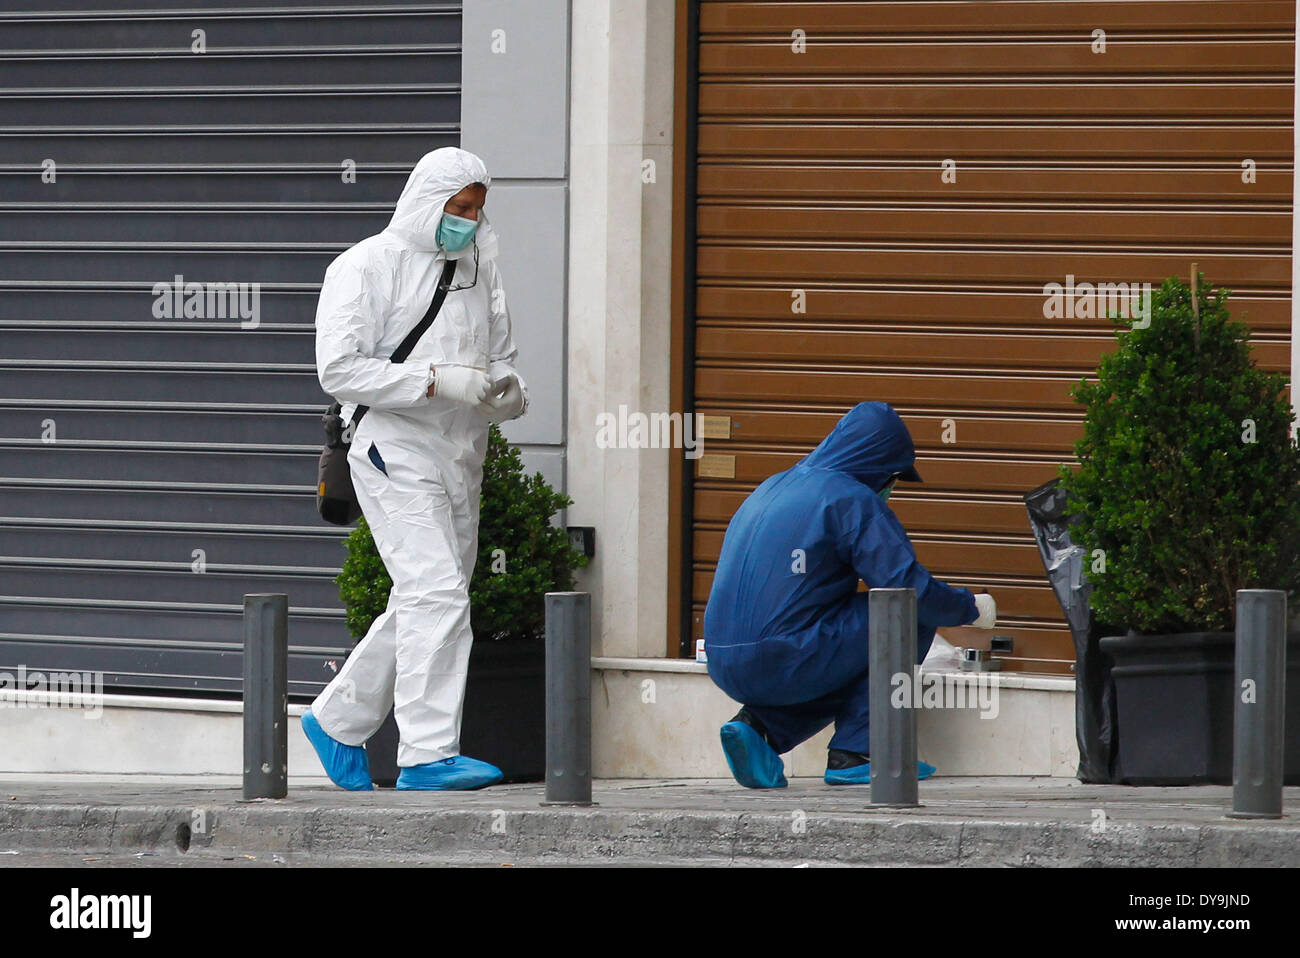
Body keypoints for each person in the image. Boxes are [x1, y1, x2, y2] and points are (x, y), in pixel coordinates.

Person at [302, 147, 528, 791]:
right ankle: (427, 754)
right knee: (437, 592)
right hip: (392, 446)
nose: (470, 220)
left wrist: (506, 388)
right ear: (427, 201)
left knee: (426, 597)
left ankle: (338, 720)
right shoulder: (364, 266)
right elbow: (338, 369)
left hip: (462, 451)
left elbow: (499, 352)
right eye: (459, 208)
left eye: (478, 209)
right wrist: (435, 382)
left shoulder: (479, 264)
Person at [703, 402, 996, 788]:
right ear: (880, 469)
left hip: (724, 660)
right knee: (906, 615)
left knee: (846, 653)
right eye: (893, 479)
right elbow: (906, 589)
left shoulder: (772, 485)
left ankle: (758, 730)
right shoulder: (851, 500)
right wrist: (969, 608)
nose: (890, 489)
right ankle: (861, 752)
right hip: (785, 654)